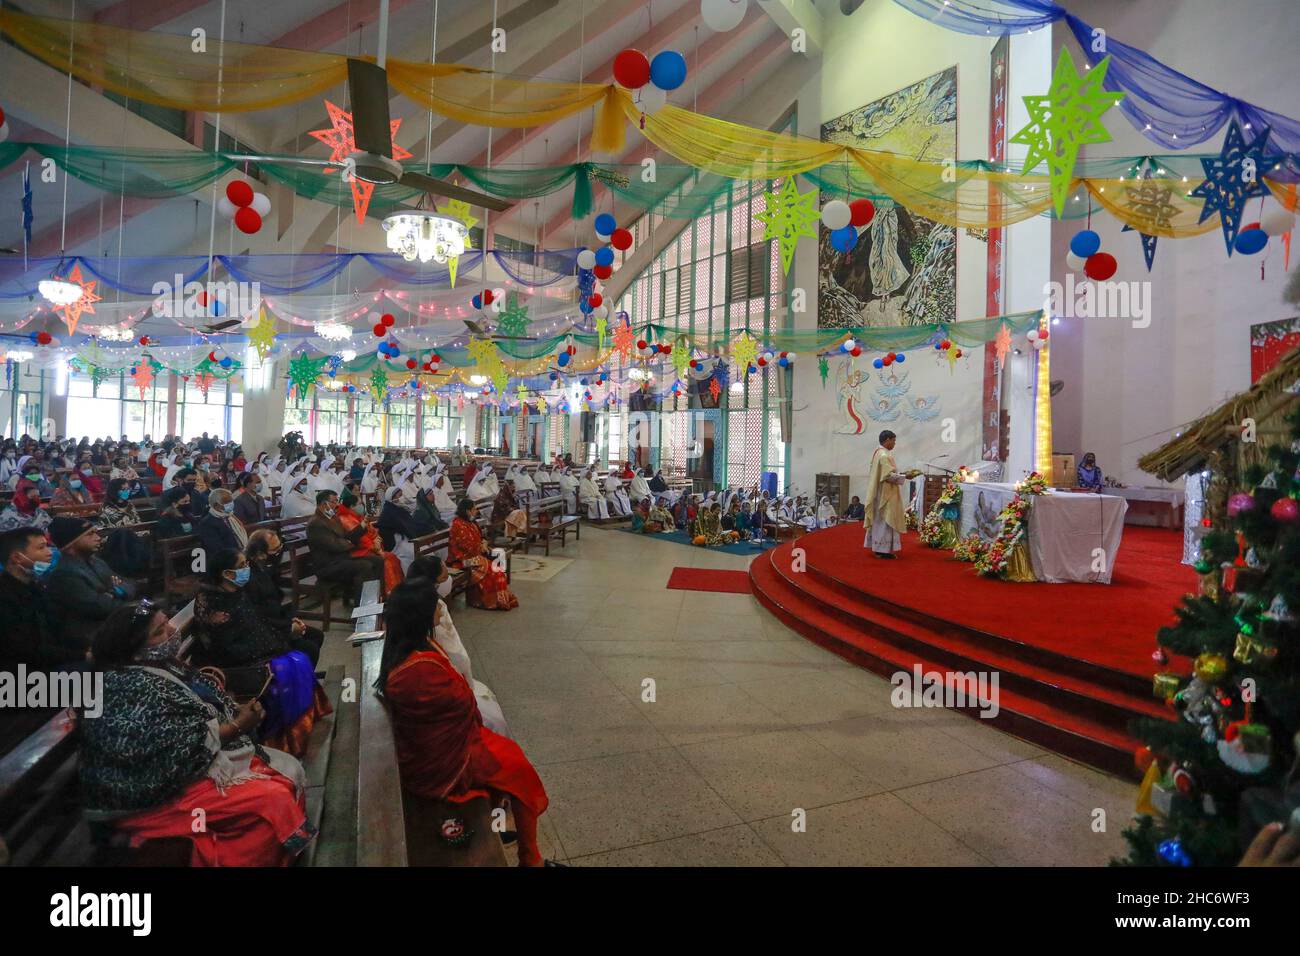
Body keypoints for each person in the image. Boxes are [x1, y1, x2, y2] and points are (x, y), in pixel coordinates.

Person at [79, 602, 316, 866]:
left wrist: (233, 711)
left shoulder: (157, 666)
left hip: (186, 770)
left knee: (283, 772)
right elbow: (170, 751)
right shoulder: (125, 689)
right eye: (159, 631)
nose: (172, 630)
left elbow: (189, 717)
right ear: (134, 651)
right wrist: (238, 724)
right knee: (273, 799)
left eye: (167, 621)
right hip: (153, 793)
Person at [377, 580, 549, 866]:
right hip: (445, 761)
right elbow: (462, 703)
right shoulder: (418, 669)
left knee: (508, 755)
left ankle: (504, 828)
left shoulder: (412, 648)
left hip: (448, 739)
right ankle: (531, 859)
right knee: (520, 772)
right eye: (435, 605)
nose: (440, 609)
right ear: (420, 614)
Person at [406, 555, 508, 735]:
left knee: (495, 568)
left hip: (453, 688)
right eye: (443, 572)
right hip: (447, 702)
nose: (439, 608)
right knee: (495, 721)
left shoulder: (427, 610)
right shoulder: (428, 627)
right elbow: (455, 658)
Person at [306, 490, 385, 603]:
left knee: (377, 560)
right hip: (328, 565)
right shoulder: (316, 523)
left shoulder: (333, 518)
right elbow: (335, 545)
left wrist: (362, 525)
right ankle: (362, 608)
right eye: (334, 501)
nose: (337, 504)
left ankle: (375, 600)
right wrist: (349, 542)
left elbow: (347, 537)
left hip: (342, 559)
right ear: (324, 504)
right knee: (364, 566)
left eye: (337, 501)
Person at [447, 498, 518, 611]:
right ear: (467, 511)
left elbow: (479, 537)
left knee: (497, 570)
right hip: (462, 560)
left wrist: (483, 543)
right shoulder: (457, 525)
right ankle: (488, 601)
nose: (476, 511)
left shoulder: (470, 522)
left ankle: (498, 599)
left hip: (475, 555)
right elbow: (466, 546)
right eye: (474, 509)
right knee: (495, 572)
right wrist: (481, 547)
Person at [863, 429, 906, 559]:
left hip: (880, 492)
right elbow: (887, 476)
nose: (894, 443)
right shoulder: (883, 455)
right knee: (885, 520)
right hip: (885, 495)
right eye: (893, 440)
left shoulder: (879, 453)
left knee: (879, 520)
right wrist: (905, 476)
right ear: (887, 440)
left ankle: (878, 548)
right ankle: (883, 550)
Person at [245, 529, 291, 622]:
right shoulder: (249, 576)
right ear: (260, 554)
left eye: (280, 546)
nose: (279, 551)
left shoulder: (267, 566)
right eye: (275, 550)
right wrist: (289, 626)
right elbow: (261, 611)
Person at [195, 488, 250, 558]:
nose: (231, 504)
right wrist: (237, 555)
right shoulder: (207, 523)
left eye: (231, 501)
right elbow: (217, 548)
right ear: (216, 505)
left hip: (240, 554)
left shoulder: (231, 516)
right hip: (226, 559)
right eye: (227, 502)